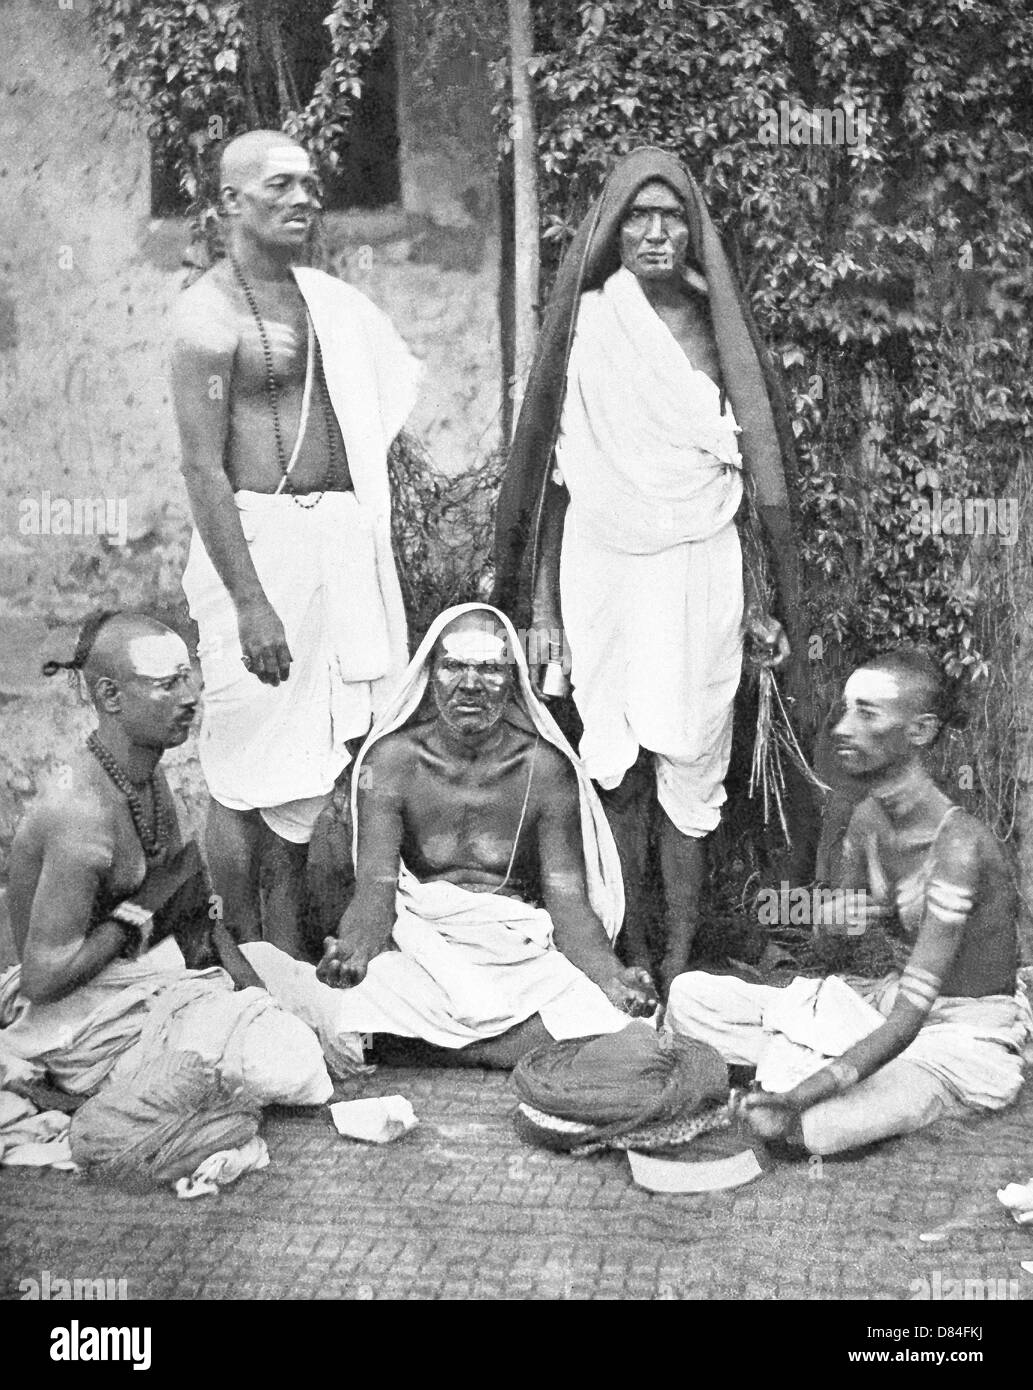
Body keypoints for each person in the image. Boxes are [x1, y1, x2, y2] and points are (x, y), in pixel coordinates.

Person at [493, 146, 803, 997]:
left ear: (693, 229)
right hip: (604, 563)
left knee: (693, 757)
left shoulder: (719, 327)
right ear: (612, 229)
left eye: (672, 216)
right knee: (618, 761)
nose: (657, 231)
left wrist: (760, 602)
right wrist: (544, 603)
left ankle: (680, 958)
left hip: (701, 566)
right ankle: (629, 946)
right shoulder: (590, 322)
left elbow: (749, 480)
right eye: (639, 216)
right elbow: (558, 479)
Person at [171, 129, 420, 955]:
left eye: (311, 183)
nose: (304, 198)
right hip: (260, 551)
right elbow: (203, 469)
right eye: (280, 185)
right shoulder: (207, 317)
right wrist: (250, 603)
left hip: (337, 545)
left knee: (313, 764)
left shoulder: (326, 300)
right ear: (232, 202)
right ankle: (231, 957)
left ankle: (287, 955)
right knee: (244, 770)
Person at [0, 612, 365, 1171]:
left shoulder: (145, 774)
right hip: (84, 1025)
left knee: (339, 1014)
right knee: (294, 1064)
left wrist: (251, 988)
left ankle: (198, 1051)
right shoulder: (82, 821)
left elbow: (190, 909)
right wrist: (138, 916)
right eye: (168, 685)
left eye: (189, 676)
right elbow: (43, 977)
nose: (191, 696)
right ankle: (111, 1091)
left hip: (164, 976)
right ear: (110, 696)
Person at [665, 648, 1031, 1156]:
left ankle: (799, 1081)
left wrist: (799, 1097)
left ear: (920, 731)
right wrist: (831, 926)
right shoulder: (866, 821)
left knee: (821, 1127)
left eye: (867, 713)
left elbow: (908, 1020)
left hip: (960, 1034)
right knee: (690, 998)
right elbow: (832, 962)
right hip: (884, 1005)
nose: (842, 727)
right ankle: (806, 1071)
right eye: (845, 708)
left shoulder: (958, 848)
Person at [313, 604, 658, 1068]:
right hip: (425, 944)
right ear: (430, 675)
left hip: (514, 950)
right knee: (345, 1004)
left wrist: (612, 977)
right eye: (454, 665)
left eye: (490, 669)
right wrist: (354, 948)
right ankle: (509, 1052)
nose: (471, 684)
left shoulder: (546, 769)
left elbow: (568, 901)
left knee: (610, 1015)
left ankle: (427, 1051)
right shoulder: (388, 761)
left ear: (513, 681)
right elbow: (376, 888)